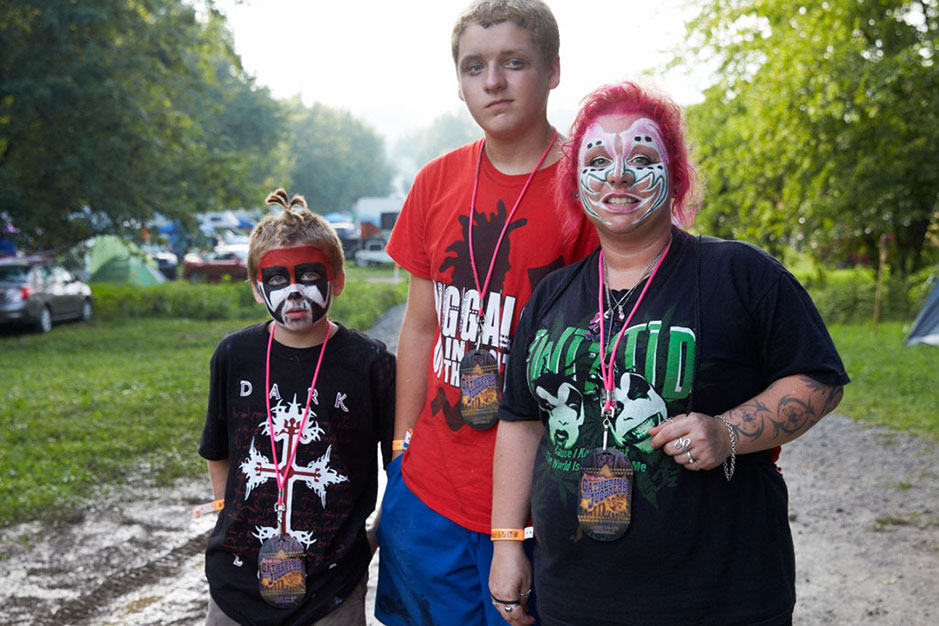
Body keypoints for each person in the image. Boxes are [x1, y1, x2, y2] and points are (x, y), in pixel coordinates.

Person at [489, 81, 850, 625]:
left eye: (641, 157)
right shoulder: (552, 296)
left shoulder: (740, 274)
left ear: (675, 174)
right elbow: (520, 422)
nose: (618, 175)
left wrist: (728, 431)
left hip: (720, 599)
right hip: (576, 599)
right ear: (575, 182)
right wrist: (507, 543)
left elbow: (820, 380)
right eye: (598, 160)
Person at [375, 1, 598, 624]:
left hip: (540, 496)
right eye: (475, 67)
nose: (493, 81)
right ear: (459, 83)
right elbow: (420, 327)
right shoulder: (434, 182)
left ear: (553, 71)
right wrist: (400, 452)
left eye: (513, 62)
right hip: (429, 491)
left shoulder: (587, 195)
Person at [199, 188, 395, 626]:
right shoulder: (234, 355)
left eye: (308, 275)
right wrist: (226, 517)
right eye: (276, 279)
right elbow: (218, 450)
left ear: (337, 280)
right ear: (256, 288)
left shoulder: (371, 364)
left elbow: (399, 461)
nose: (293, 291)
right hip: (236, 585)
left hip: (332, 588)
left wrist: (375, 534)